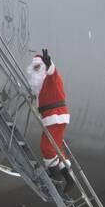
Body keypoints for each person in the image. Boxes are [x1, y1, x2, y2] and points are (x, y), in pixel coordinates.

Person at [26, 49, 72, 192]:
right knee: (56, 149)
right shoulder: (40, 85)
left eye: (38, 67)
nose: (36, 70)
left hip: (56, 116)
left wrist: (49, 62)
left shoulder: (51, 77)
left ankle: (55, 175)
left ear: (44, 67)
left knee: (46, 147)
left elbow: (53, 72)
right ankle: (68, 179)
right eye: (35, 68)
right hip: (52, 117)